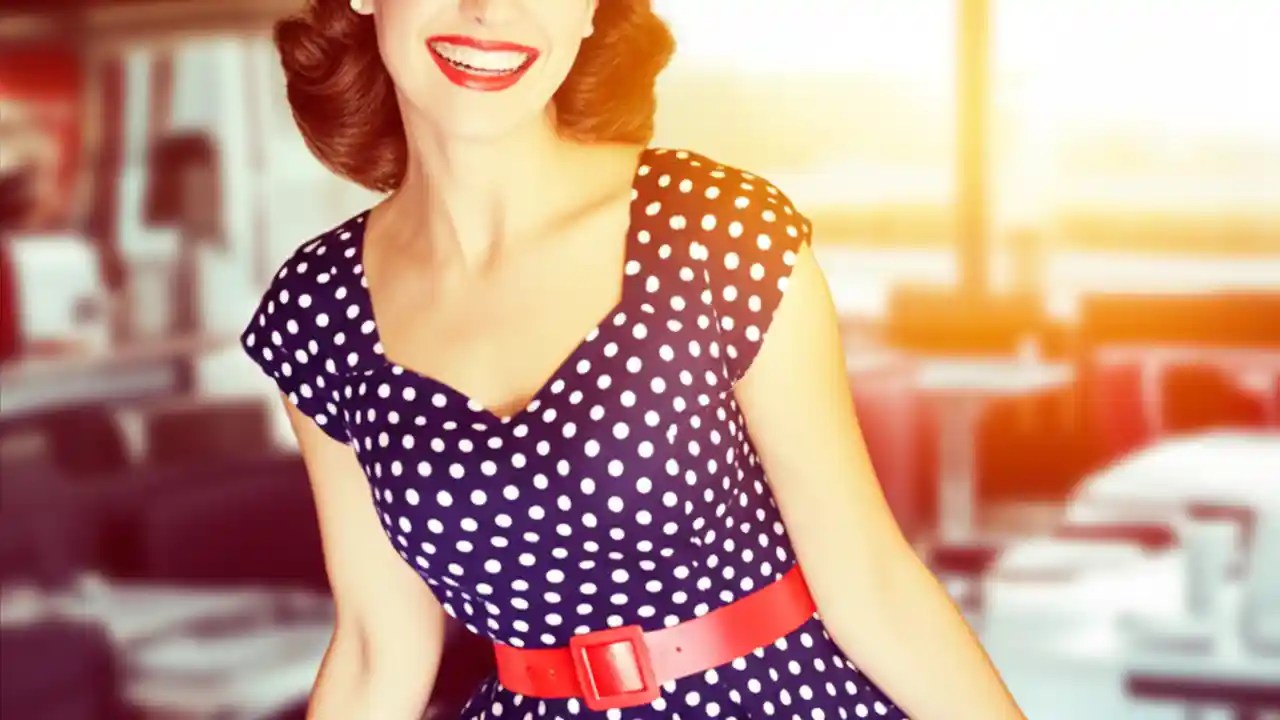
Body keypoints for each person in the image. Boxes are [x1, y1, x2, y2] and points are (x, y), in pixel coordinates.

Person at [238, 1, 1027, 718]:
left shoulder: (714, 229)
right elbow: (378, 650)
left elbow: (872, 584)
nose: (489, 11)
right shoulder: (319, 310)